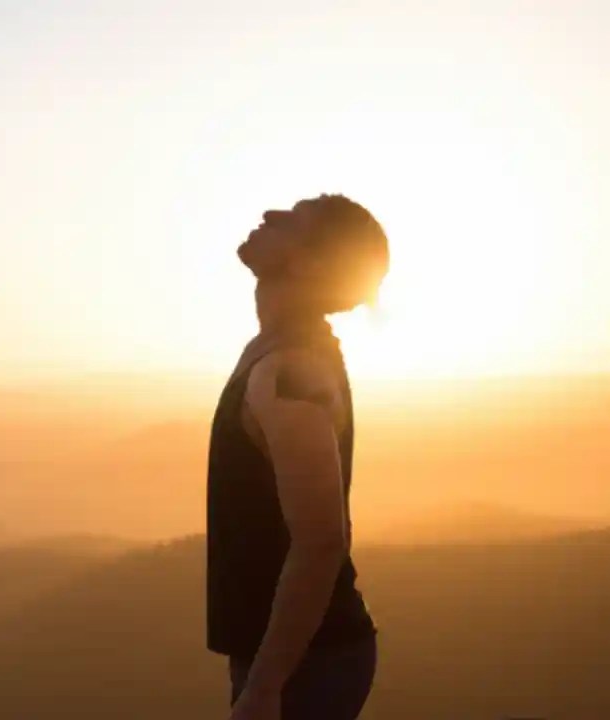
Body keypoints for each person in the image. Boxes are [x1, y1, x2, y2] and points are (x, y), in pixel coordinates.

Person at [206, 194, 388, 720]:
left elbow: (322, 540)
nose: (270, 215)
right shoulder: (279, 351)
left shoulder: (292, 369)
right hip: (297, 659)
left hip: (307, 666)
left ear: (308, 263)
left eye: (293, 219)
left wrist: (265, 686)